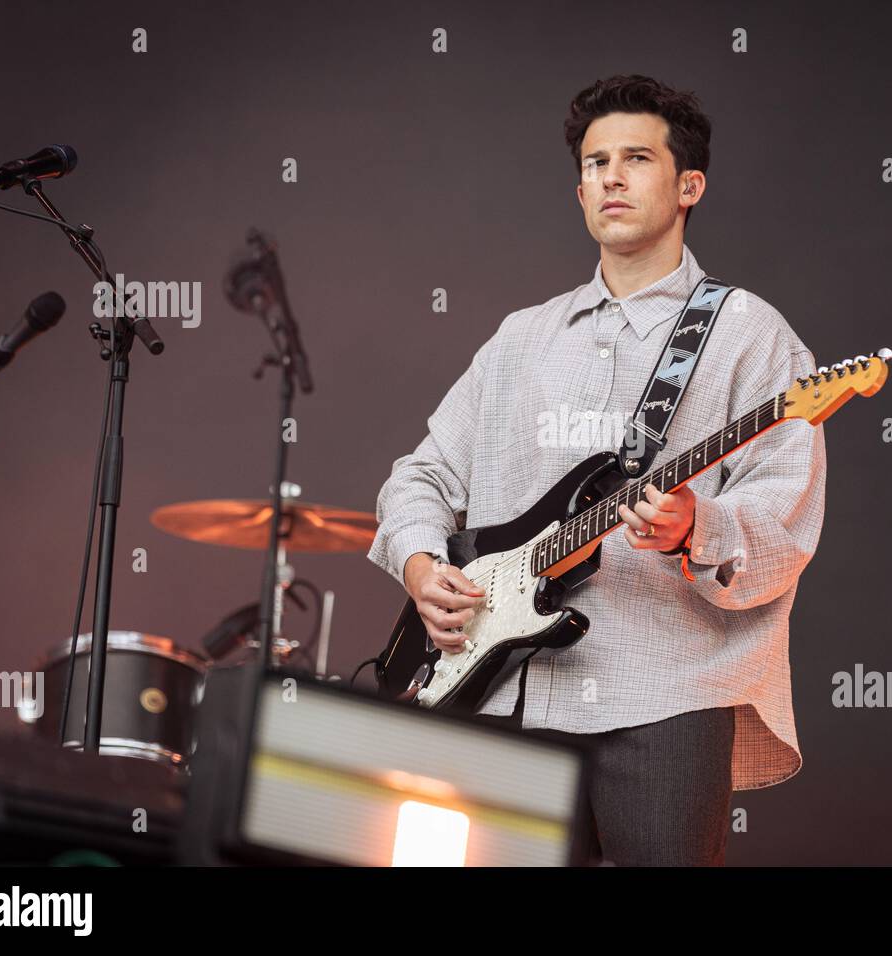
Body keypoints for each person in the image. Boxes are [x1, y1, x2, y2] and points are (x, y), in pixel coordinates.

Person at [368, 74, 827, 865]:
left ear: (689, 185)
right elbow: (421, 474)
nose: (609, 177)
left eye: (636, 158)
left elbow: (785, 519)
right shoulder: (521, 338)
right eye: (593, 162)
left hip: (666, 693)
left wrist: (697, 525)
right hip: (504, 697)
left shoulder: (750, 334)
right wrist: (418, 562)